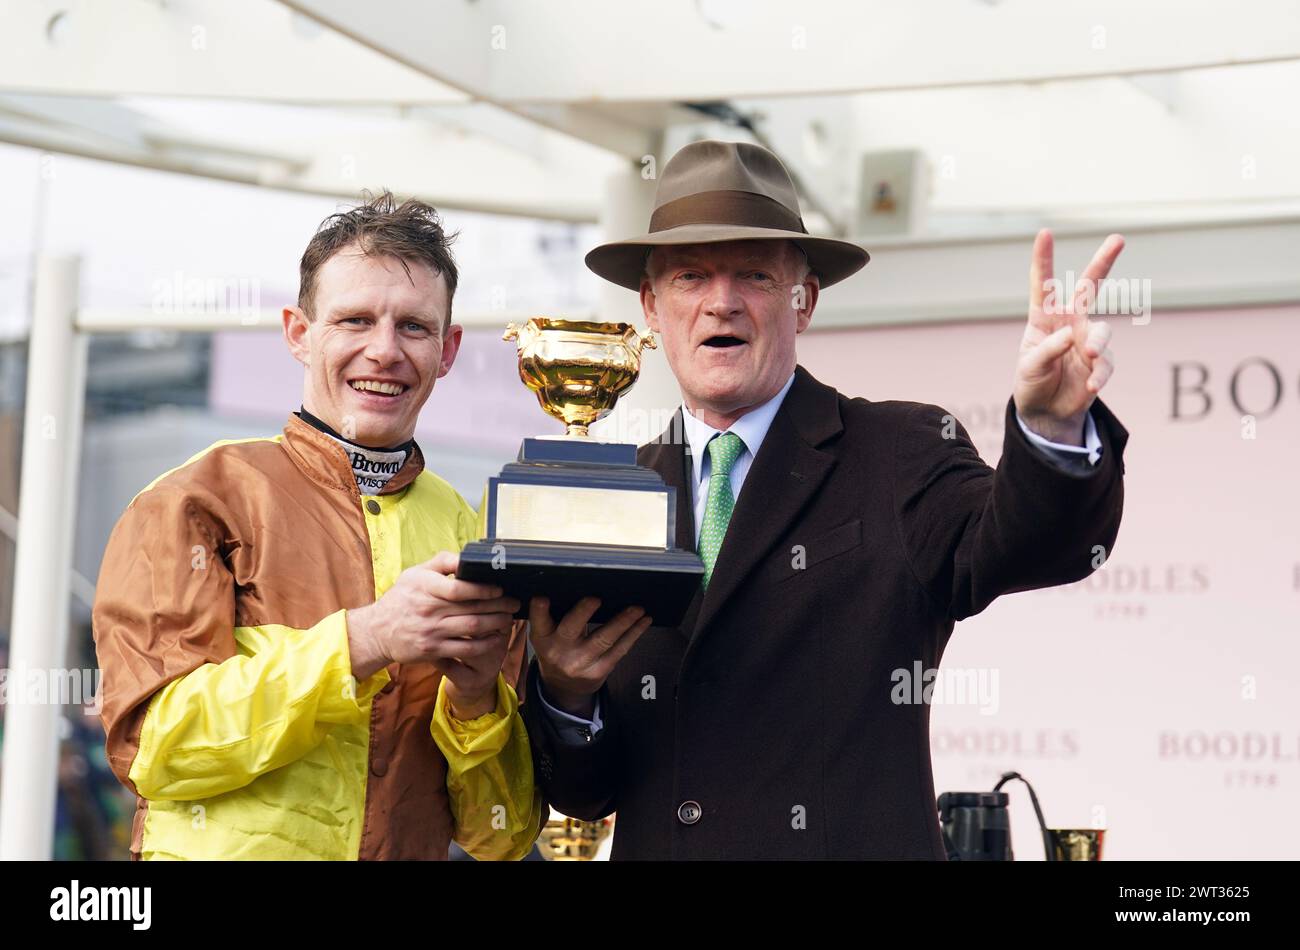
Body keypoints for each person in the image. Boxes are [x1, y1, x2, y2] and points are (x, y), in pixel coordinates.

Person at [521, 140, 1129, 859]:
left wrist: (1052, 428)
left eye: (754, 275)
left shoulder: (899, 448)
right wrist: (565, 693)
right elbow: (586, 793)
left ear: (802, 301)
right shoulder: (618, 495)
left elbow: (1022, 543)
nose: (722, 301)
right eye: (691, 277)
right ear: (652, 308)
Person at [92, 192, 542, 860]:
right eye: (355, 320)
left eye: (413, 327)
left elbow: (499, 836)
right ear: (299, 333)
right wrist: (366, 640)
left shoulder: (473, 527)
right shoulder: (194, 499)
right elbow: (156, 750)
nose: (384, 350)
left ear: (447, 350)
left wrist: (475, 701)